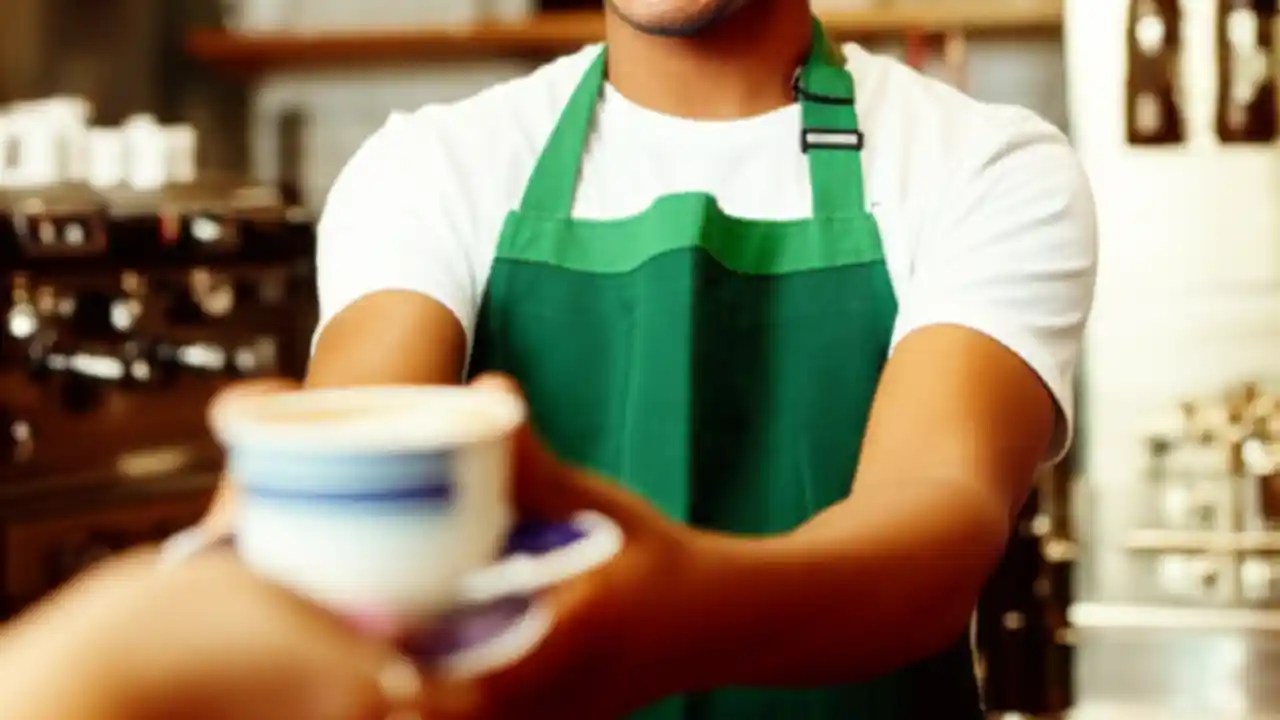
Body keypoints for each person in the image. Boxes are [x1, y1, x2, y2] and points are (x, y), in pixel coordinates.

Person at [206, 0, 1098, 718]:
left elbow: (933, 532)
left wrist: (665, 612)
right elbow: (358, 446)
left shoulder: (984, 167)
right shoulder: (432, 167)